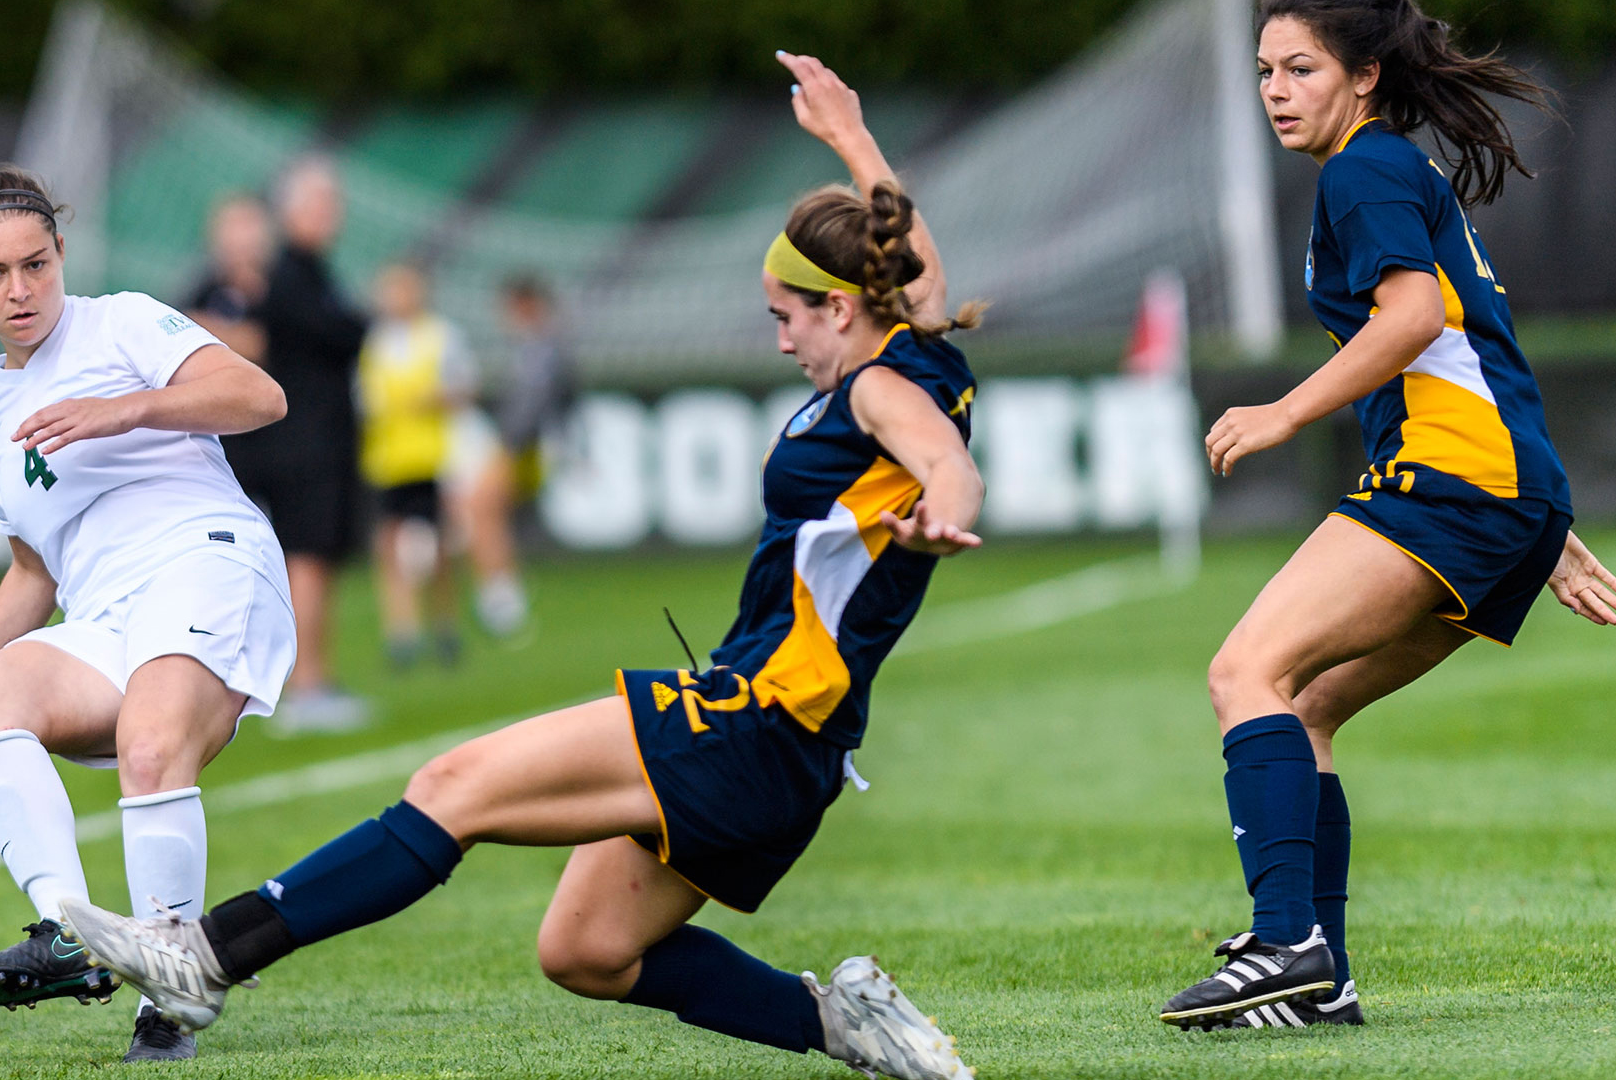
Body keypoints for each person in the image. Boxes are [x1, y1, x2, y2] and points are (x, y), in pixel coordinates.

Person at [63, 53, 984, 1080]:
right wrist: (851, 139)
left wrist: (941, 515)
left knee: (453, 785)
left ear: (843, 309)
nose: (781, 343)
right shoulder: (925, 343)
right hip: (787, 742)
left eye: (787, 318)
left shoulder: (872, 394)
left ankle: (204, 957)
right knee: (585, 950)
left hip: (755, 717)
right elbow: (918, 269)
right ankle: (844, 1024)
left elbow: (943, 463)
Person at [1157, 0, 1616, 1032]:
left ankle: (1287, 946)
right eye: (1266, 70)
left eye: (1301, 69)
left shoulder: (1361, 169)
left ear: (1364, 76)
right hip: (1500, 489)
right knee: (1307, 706)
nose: (1277, 90)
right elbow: (1473, 344)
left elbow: (1415, 318)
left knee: (1246, 674)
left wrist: (1282, 409)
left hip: (1459, 484)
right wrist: (1540, 522)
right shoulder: (1394, 170)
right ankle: (1324, 983)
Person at [0, 161, 296, 1063]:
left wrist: (127, 410)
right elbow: (32, 572)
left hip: (206, 559)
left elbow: (262, 396)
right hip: (104, 611)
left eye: (36, 264)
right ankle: (67, 935)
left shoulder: (121, 321)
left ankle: (171, 991)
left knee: (151, 744)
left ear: (60, 252)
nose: (21, 290)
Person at [222, 158, 368, 731]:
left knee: (317, 557)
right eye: (320, 203)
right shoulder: (288, 276)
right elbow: (345, 330)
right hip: (302, 441)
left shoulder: (308, 272)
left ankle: (315, 679)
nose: (332, 215)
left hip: (321, 435)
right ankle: (305, 686)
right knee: (305, 557)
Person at [358, 260, 474, 667]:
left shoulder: (441, 336)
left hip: (431, 458)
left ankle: (443, 622)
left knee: (437, 547)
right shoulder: (373, 342)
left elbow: (464, 388)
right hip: (388, 460)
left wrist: (436, 399)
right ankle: (401, 628)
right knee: (390, 545)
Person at [456, 273, 575, 638]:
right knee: (485, 511)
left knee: (479, 506)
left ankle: (501, 598)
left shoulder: (541, 347)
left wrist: (509, 445)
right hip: (525, 444)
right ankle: (501, 592)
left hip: (526, 446)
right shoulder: (541, 345)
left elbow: (534, 404)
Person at [182, 192, 271, 362]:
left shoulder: (275, 288)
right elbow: (183, 325)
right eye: (233, 226)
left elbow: (257, 345)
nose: (241, 237)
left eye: (247, 226)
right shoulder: (206, 284)